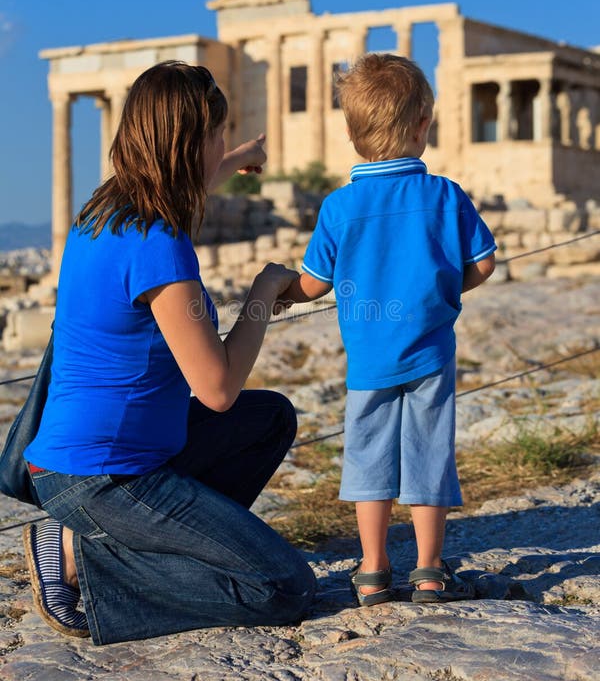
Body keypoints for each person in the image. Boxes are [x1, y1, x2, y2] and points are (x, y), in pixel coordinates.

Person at [23, 61, 316, 644]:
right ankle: (85, 563)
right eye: (219, 135)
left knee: (270, 419)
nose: (225, 145)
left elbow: (189, 183)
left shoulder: (105, 211)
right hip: (101, 475)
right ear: (191, 143)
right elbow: (217, 388)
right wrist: (262, 294)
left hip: (90, 458)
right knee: (284, 587)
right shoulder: (159, 246)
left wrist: (235, 162)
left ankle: (166, 543)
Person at [277, 54, 496, 606]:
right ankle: (427, 571)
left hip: (369, 360)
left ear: (350, 132)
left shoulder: (339, 207)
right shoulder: (445, 195)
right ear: (424, 123)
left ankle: (373, 570)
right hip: (430, 353)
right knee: (429, 454)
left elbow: (314, 284)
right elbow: (485, 263)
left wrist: (277, 291)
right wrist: (443, 292)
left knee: (368, 455)